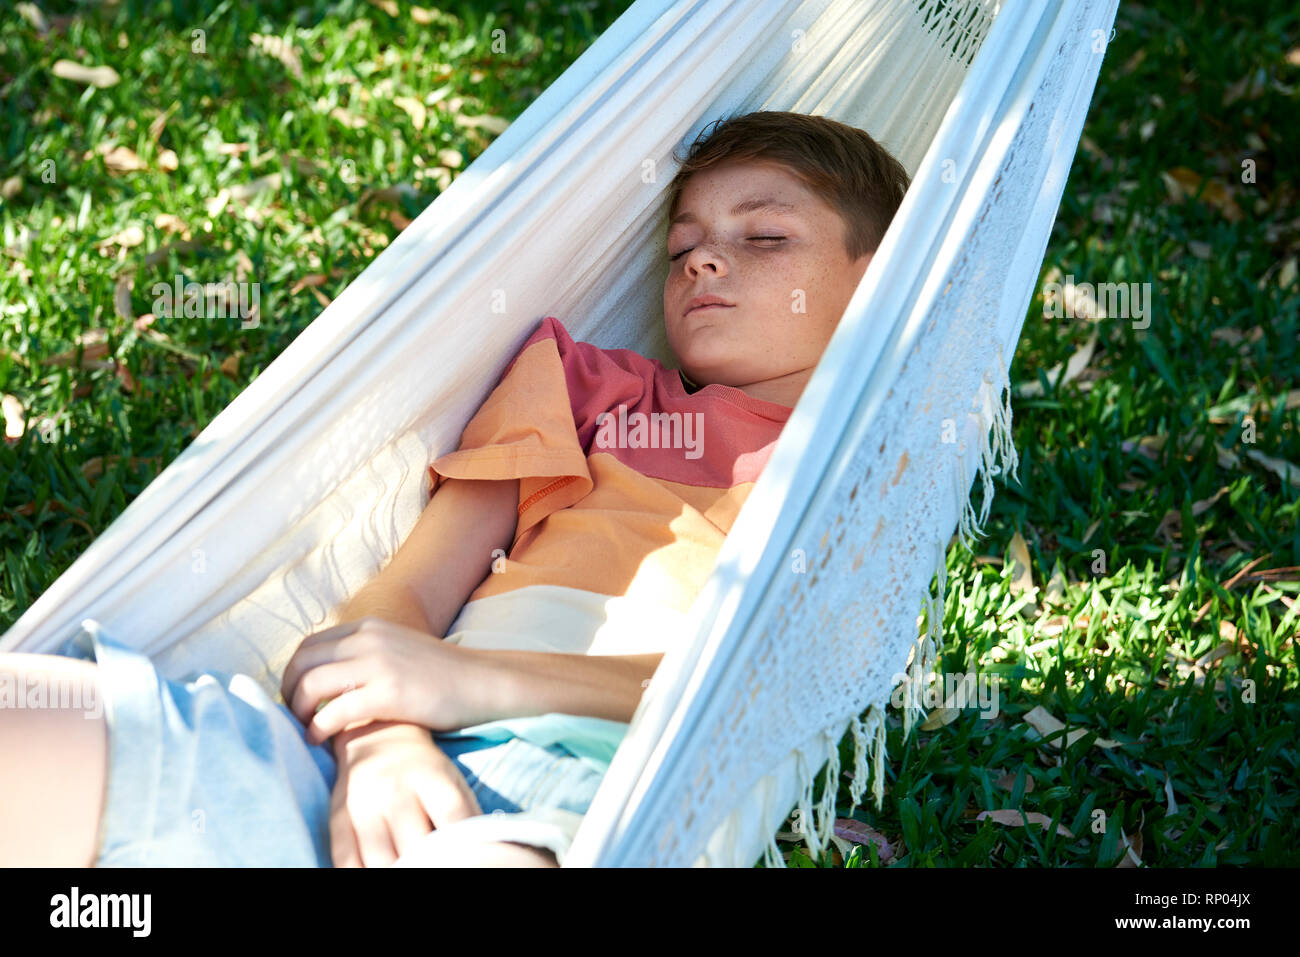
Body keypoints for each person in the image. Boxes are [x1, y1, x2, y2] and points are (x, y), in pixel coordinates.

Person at [0, 110, 910, 868]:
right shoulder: (581, 386)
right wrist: (381, 737)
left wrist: (459, 683)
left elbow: (771, 684)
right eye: (681, 248)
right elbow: (401, 594)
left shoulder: (866, 477)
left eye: (762, 235)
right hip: (360, 768)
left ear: (880, 278)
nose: (704, 262)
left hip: (585, 802)